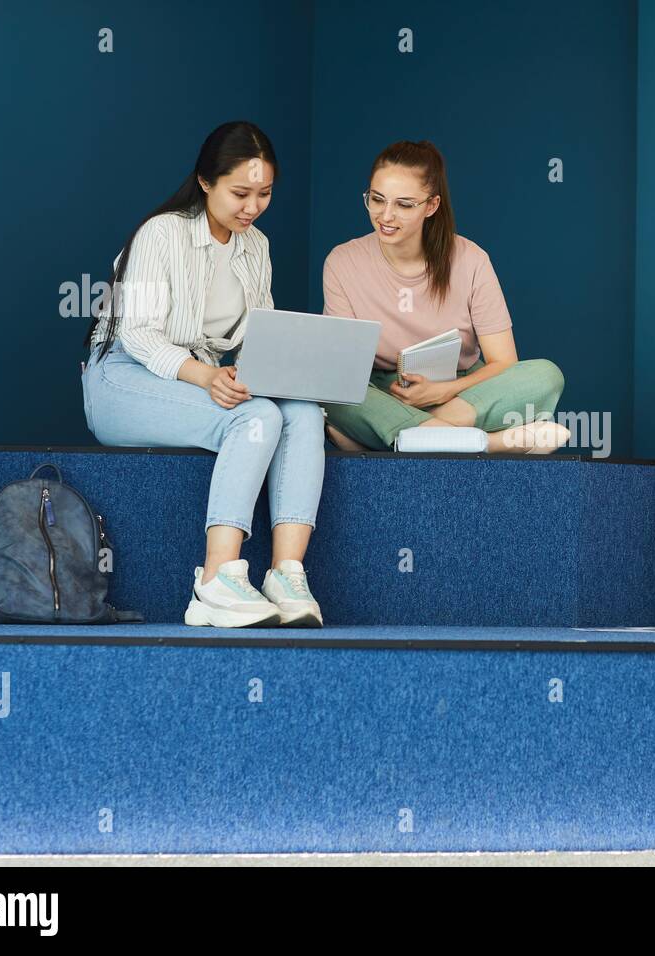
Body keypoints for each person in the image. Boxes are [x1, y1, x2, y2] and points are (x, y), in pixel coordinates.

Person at [80, 121, 325, 629]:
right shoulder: (161, 233)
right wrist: (204, 376)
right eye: (240, 192)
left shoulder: (255, 246)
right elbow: (140, 335)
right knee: (253, 417)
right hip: (123, 378)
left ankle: (286, 573)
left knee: (302, 412)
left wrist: (269, 371)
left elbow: (258, 332)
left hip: (200, 375)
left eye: (265, 194)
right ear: (206, 181)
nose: (252, 207)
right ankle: (217, 580)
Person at [320, 140, 569, 453]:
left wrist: (444, 391)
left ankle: (406, 435)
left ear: (432, 205)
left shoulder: (470, 259)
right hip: (384, 391)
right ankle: (488, 443)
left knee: (546, 375)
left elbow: (504, 362)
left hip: (463, 389)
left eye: (404, 205)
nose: (386, 215)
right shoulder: (343, 261)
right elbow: (343, 368)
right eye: (377, 200)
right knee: (331, 394)